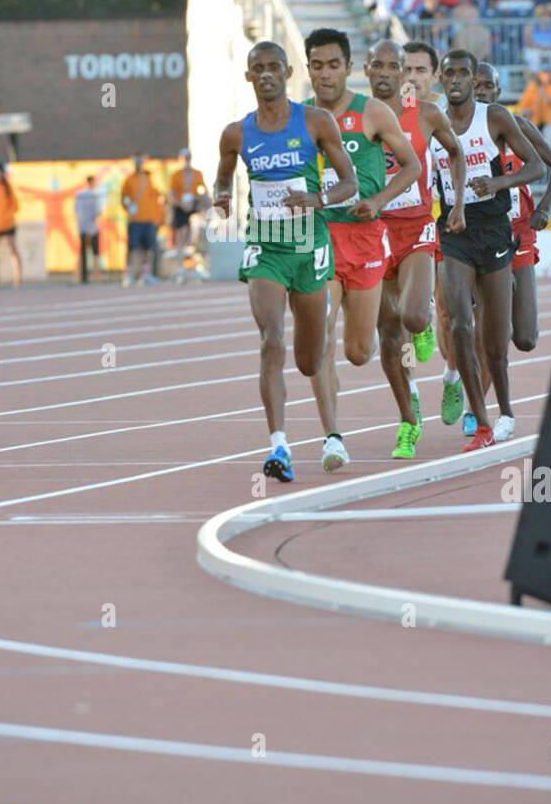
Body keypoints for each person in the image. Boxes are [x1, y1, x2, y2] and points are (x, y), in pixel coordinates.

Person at [213, 40, 357, 483]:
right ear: (249, 77)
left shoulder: (316, 121)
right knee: (271, 339)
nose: (267, 75)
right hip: (267, 248)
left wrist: (318, 198)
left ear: (288, 71)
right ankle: (279, 444)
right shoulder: (236, 133)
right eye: (258, 68)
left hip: (309, 247)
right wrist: (221, 198)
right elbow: (223, 176)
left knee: (312, 358)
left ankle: (333, 436)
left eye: (274, 67)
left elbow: (349, 183)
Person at [304, 29, 421, 471]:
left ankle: (369, 332)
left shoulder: (370, 112)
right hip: (319, 237)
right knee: (319, 338)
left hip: (366, 238)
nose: (325, 73)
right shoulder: (302, 118)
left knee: (357, 351)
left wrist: (378, 200)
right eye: (317, 65)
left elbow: (410, 166)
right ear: (308, 68)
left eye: (333, 65)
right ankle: (333, 437)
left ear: (348, 69)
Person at [430, 50, 544, 450]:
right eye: (451, 74)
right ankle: (479, 423)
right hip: (455, 230)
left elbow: (538, 167)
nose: (458, 80)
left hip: (496, 233)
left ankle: (506, 411)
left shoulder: (494, 117)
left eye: (465, 73)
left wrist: (497, 185)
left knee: (498, 342)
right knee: (460, 323)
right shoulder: (431, 120)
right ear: (440, 80)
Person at [366, 38, 466, 458]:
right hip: (372, 231)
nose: (397, 75)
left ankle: (423, 326)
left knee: (413, 315)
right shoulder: (355, 116)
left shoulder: (425, 114)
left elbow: (456, 152)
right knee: (389, 335)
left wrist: (458, 202)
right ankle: (408, 419)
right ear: (369, 70)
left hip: (417, 227)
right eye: (385, 66)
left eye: (403, 67)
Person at [473, 63, 551, 362]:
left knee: (525, 338)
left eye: (488, 86)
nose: (482, 91)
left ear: (498, 92)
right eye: (476, 86)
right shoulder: (456, 130)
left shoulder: (518, 126)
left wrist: (545, 207)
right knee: (483, 329)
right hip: (478, 236)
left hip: (518, 234)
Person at [120, 155, 163, 286]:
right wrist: (129, 207)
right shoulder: (129, 180)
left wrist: (157, 218)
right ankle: (131, 274)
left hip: (148, 219)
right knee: (134, 248)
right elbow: (123, 198)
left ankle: (146, 274)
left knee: (148, 249)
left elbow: (156, 197)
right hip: (135, 220)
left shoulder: (148, 180)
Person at [168, 149, 207, 272]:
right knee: (181, 234)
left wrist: (197, 201)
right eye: (185, 158)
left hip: (194, 206)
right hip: (181, 207)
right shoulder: (176, 175)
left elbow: (204, 191)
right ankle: (180, 265)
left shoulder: (197, 174)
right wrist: (180, 204)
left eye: (188, 157)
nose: (187, 160)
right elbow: (171, 194)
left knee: (194, 233)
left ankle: (196, 263)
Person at [0, 161, 22, 288]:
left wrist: (6, 217)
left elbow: (15, 206)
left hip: (8, 224)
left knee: (13, 250)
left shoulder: (8, 188)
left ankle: (18, 278)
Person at [74, 175, 102, 283]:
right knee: (95, 253)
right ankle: (97, 278)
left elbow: (76, 211)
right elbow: (96, 212)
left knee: (82, 253)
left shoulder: (80, 195)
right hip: (92, 227)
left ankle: (78, 277)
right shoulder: (93, 196)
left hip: (83, 227)